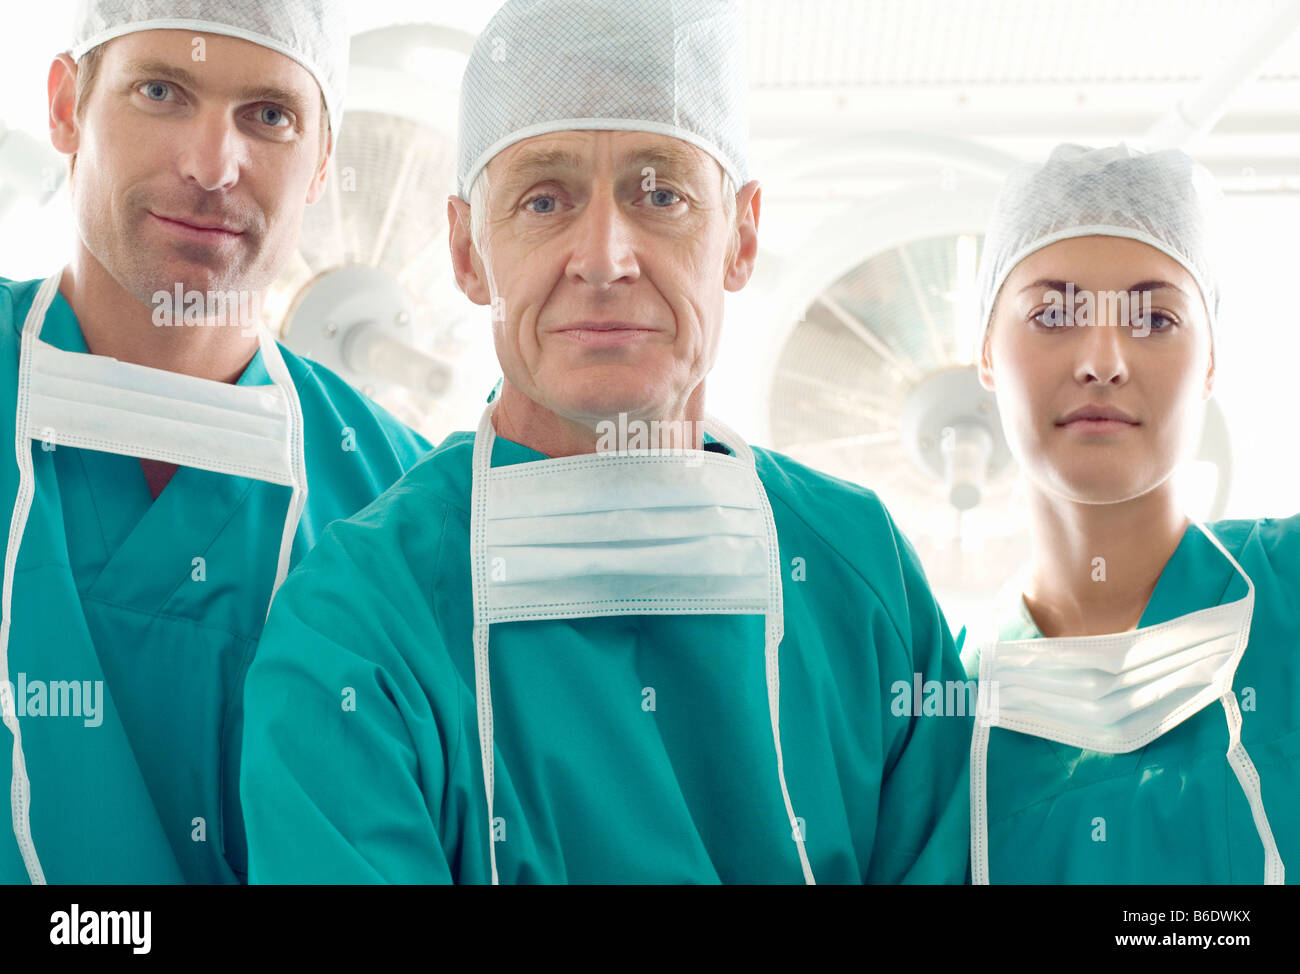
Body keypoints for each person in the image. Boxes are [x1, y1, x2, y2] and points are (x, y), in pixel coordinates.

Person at [240, 0, 971, 884]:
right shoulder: (361, 621)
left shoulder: (859, 571)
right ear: (467, 252)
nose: (604, 258)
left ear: (740, 236)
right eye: (544, 200)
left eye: (660, 194)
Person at [0, 1, 431, 884]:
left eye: (269, 116)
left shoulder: (404, 508)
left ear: (321, 166)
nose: (211, 166)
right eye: (161, 91)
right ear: (65, 104)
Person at [965, 143, 1298, 884]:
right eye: (1053, 313)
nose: (1103, 360)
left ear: (1210, 361)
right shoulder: (935, 701)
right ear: (986, 351)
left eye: (1154, 319)